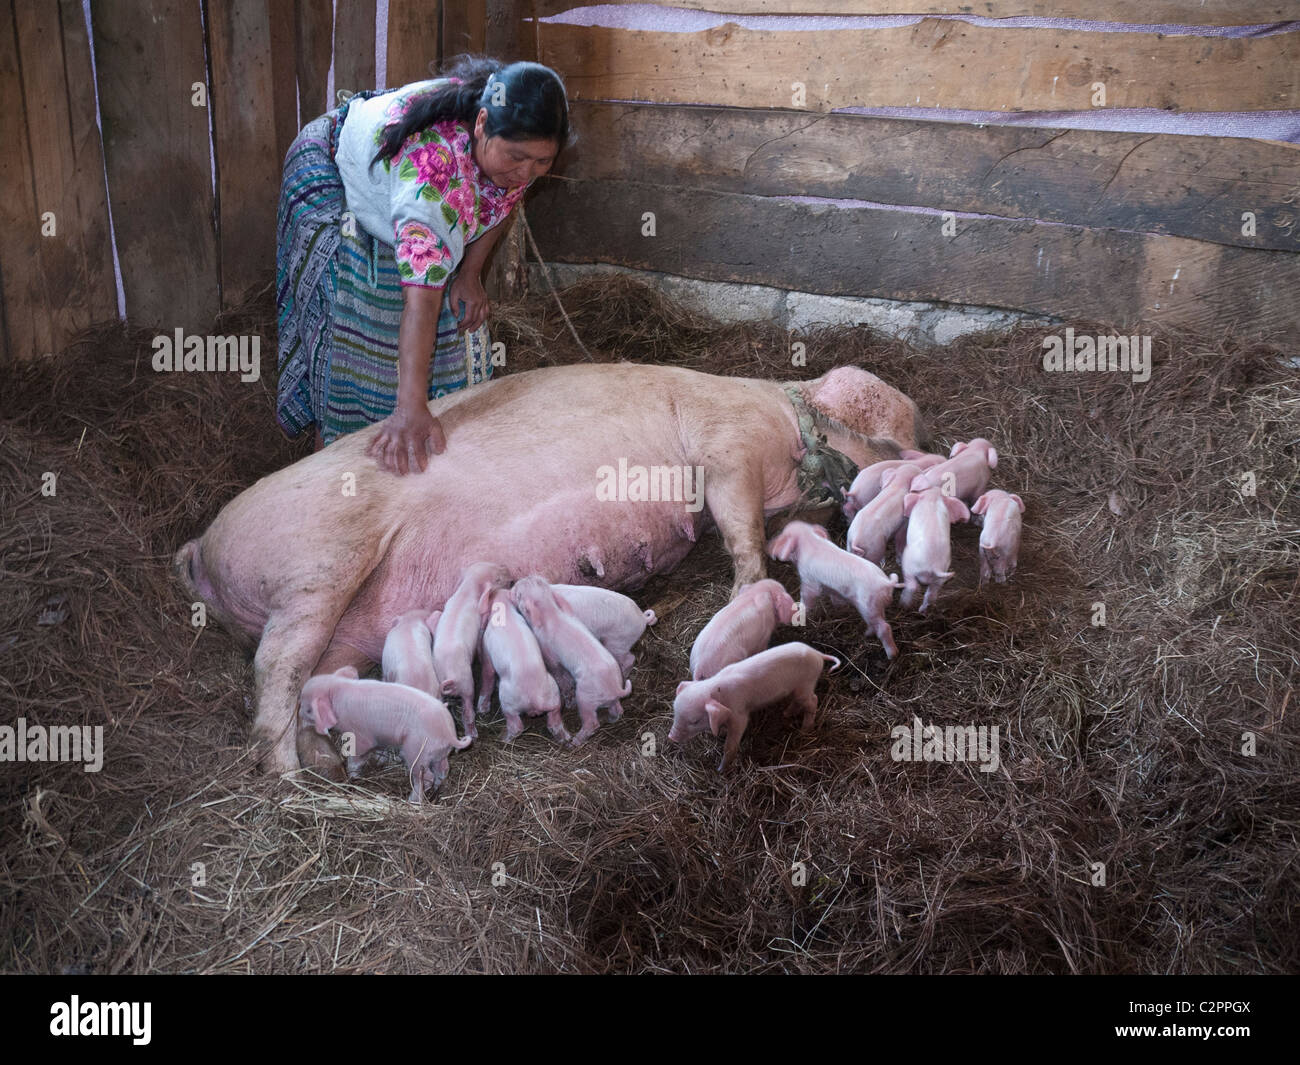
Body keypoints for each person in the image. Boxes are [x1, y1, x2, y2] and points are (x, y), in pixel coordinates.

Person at [275, 55, 569, 474]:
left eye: (542, 162)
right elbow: (421, 303)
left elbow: (498, 202)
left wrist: (469, 276)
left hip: (408, 181)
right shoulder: (437, 179)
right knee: (357, 314)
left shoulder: (512, 142)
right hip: (335, 166)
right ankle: (332, 451)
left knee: (446, 311)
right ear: (482, 123)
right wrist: (410, 409)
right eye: (519, 157)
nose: (527, 172)